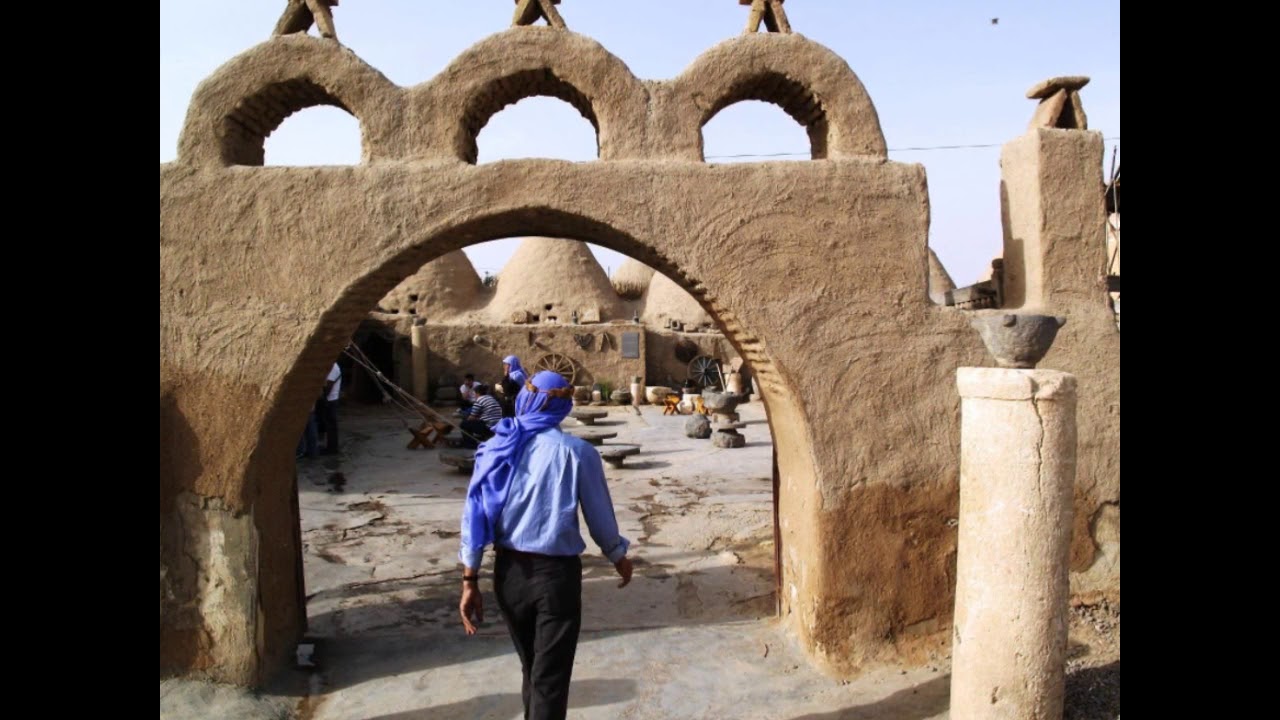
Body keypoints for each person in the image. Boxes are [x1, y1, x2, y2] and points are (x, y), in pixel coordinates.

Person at [458, 371, 633, 720]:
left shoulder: (497, 446)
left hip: (509, 576)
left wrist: (469, 579)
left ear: (527, 399)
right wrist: (617, 554)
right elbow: (599, 515)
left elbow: (473, 514)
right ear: (564, 405)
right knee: (549, 678)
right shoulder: (578, 453)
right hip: (556, 578)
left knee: (533, 669)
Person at [458, 383, 502, 448]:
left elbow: (472, 417)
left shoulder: (479, 400)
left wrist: (465, 418)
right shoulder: (491, 398)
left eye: (475, 393)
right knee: (475, 422)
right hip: (498, 425)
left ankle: (470, 444)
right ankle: (480, 437)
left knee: (463, 424)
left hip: (489, 427)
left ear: (477, 393)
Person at [318, 362, 342, 455]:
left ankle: (332, 449)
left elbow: (328, 387)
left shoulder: (333, 368)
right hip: (331, 399)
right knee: (329, 424)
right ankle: (331, 447)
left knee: (331, 425)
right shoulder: (331, 366)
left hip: (330, 400)